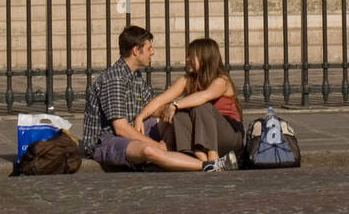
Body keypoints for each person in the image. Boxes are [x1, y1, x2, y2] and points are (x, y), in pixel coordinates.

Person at [81, 25, 238, 173]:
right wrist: (157, 144)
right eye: (149, 48)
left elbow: (155, 106)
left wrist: (166, 111)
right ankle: (208, 165)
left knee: (181, 115)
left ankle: (176, 157)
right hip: (107, 139)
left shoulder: (135, 76)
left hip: (223, 131)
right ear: (136, 50)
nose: (152, 52)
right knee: (149, 150)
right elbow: (121, 128)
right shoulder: (114, 79)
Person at [137, 37, 244, 163]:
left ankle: (212, 155)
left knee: (201, 105)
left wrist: (175, 104)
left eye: (191, 56)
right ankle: (200, 159)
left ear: (204, 58)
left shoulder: (222, 80)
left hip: (229, 136)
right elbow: (161, 99)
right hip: (202, 136)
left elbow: (205, 96)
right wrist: (141, 116)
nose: (187, 60)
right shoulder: (188, 80)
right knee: (181, 113)